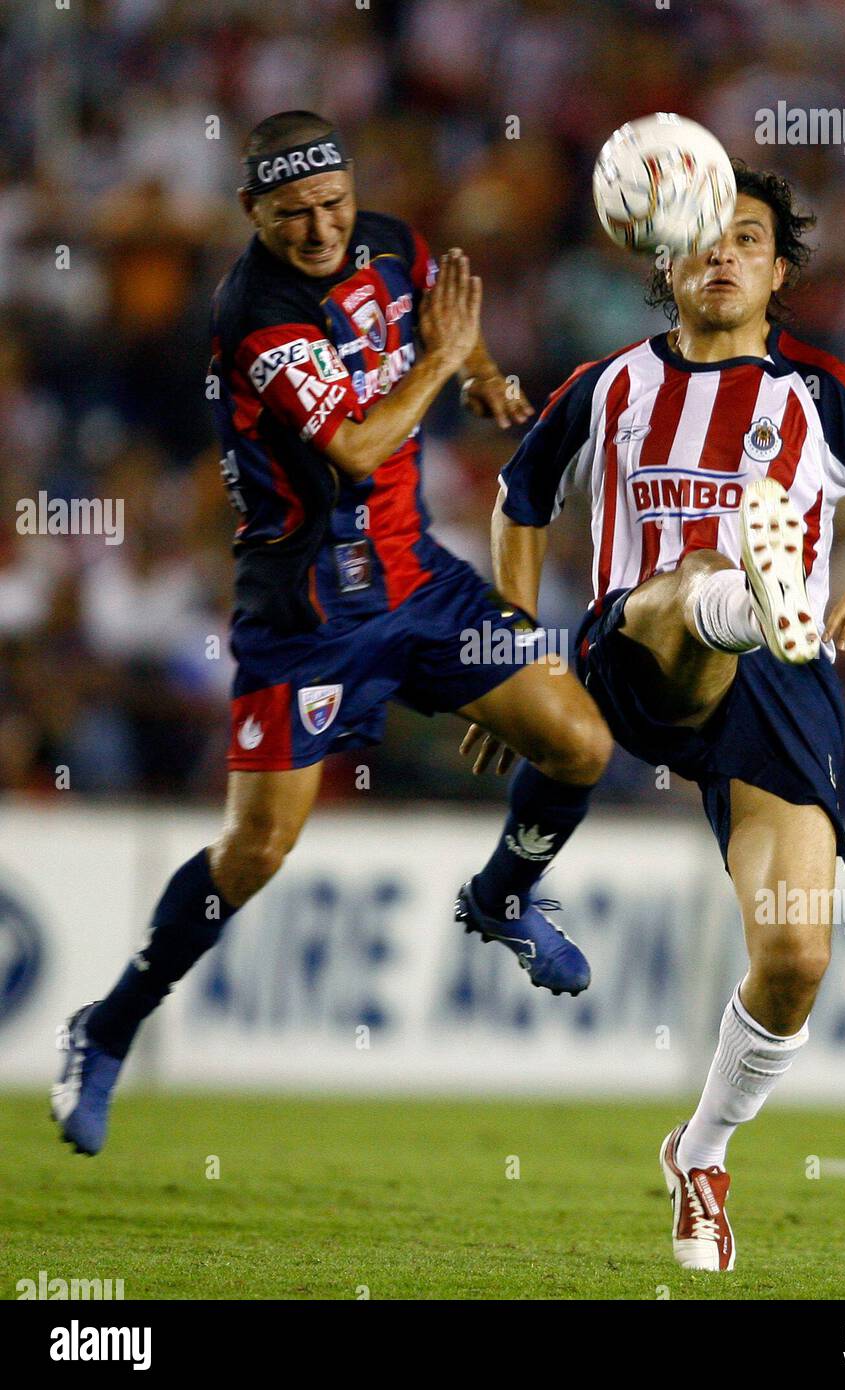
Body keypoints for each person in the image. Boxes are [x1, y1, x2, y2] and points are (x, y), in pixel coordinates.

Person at [52, 110, 612, 1157]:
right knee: (256, 847)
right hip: (306, 612)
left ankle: (499, 898)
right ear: (250, 213)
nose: (319, 229)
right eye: (293, 213)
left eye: (332, 204)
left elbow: (438, 322)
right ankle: (108, 1025)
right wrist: (449, 363)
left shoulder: (390, 241)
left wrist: (479, 366)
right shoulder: (256, 315)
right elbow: (356, 444)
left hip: (417, 582)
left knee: (578, 739)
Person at [460, 161, 845, 1271]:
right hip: (627, 642)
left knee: (793, 952)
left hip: (778, 690)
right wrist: (509, 643)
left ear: (776, 269)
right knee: (687, 583)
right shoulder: (605, 386)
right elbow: (518, 502)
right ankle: (742, 591)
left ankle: (699, 1153)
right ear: (665, 264)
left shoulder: (821, 392)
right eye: (700, 236)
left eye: (747, 237)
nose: (721, 253)